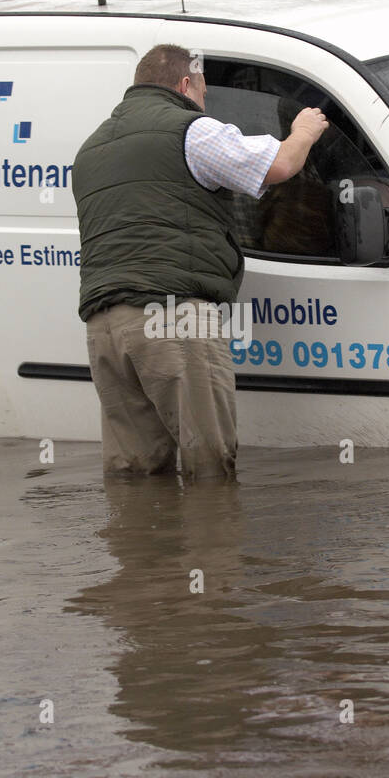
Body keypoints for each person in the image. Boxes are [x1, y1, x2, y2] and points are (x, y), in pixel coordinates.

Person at [72, 44, 328, 480]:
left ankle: (141, 548)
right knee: (209, 468)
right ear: (186, 83)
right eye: (204, 93)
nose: (204, 103)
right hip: (173, 318)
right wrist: (304, 131)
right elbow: (281, 165)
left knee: (135, 477)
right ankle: (212, 548)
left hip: (104, 328)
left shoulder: (91, 148)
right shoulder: (191, 130)